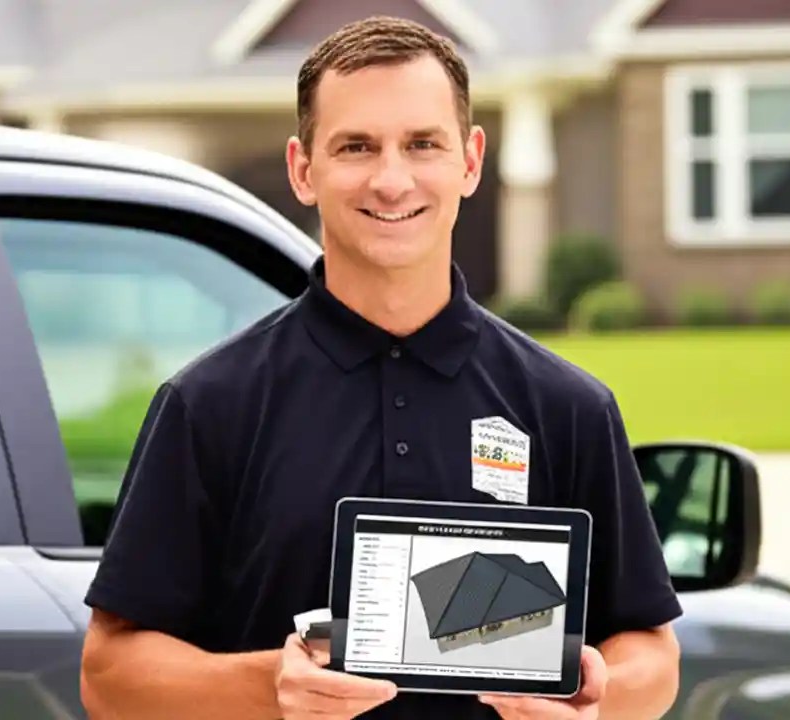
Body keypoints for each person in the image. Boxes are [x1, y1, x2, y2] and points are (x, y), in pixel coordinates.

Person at [78, 15, 682, 720]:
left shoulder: (565, 406)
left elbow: (651, 650)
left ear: (470, 159)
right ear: (304, 169)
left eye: (422, 144)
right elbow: (109, 673)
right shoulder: (211, 403)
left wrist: (598, 702)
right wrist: (272, 685)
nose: (392, 180)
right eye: (357, 147)